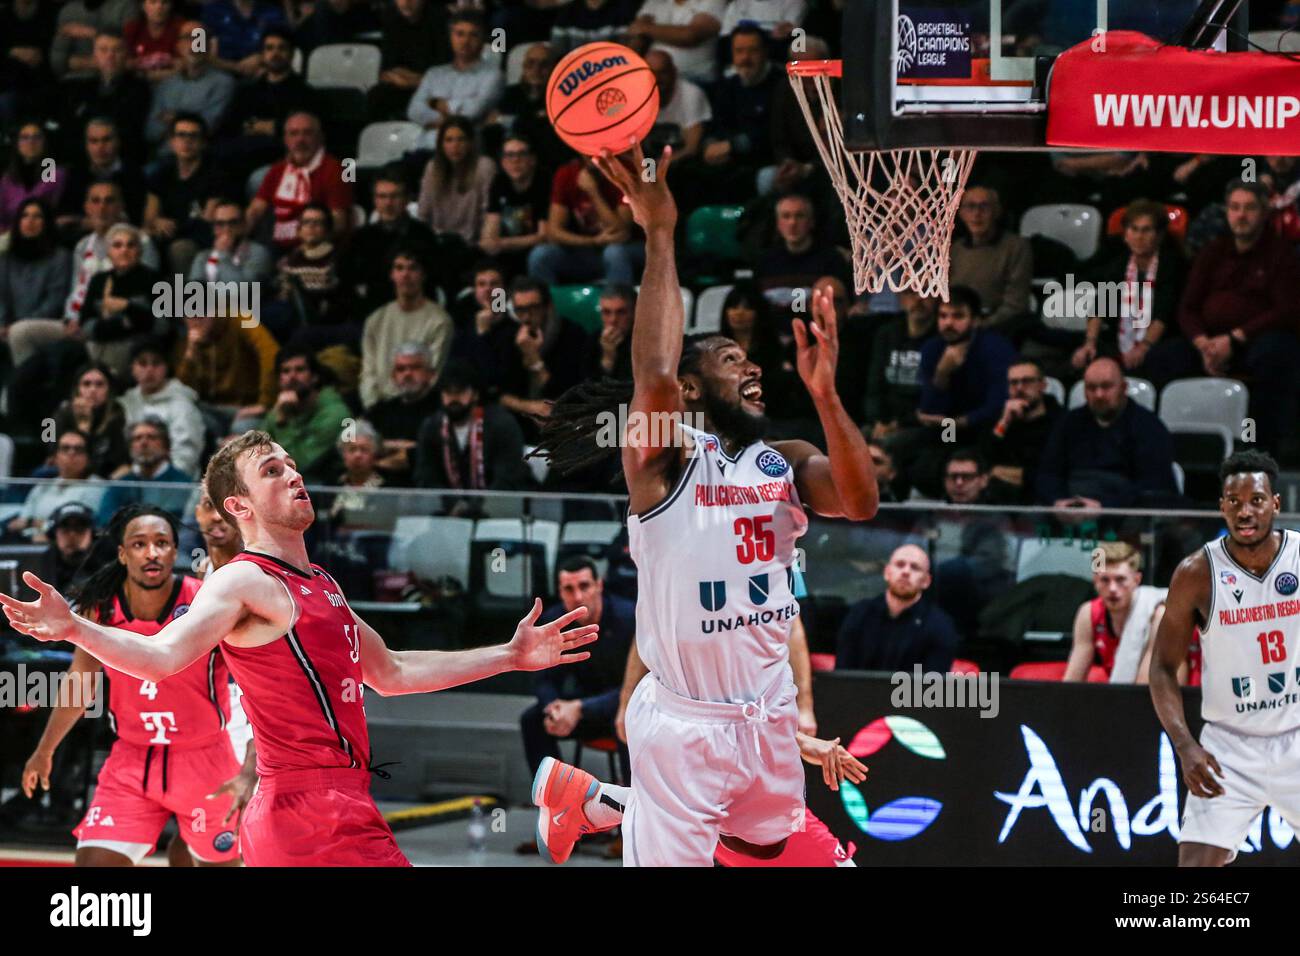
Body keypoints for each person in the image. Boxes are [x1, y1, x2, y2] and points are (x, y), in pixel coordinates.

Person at [0, 431, 600, 867]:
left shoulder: (323, 585)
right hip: (306, 808)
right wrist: (75, 628)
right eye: (271, 471)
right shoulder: (240, 580)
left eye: (291, 464)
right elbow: (162, 657)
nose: (292, 474)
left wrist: (509, 656)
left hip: (331, 803)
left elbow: (390, 672)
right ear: (238, 506)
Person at [528, 140, 877, 866]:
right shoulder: (664, 463)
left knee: (765, 845)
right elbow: (653, 368)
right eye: (728, 362)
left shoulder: (782, 459)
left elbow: (858, 500)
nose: (749, 366)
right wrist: (659, 233)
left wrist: (827, 396)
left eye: (750, 360)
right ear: (690, 392)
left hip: (768, 714)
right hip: (685, 725)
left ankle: (598, 799)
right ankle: (610, 801)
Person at [20, 505, 257, 866]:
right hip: (133, 757)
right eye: (139, 543)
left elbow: (258, 690)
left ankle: (188, 842)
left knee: (204, 860)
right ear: (122, 553)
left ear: (175, 552)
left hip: (205, 759)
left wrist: (250, 771)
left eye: (162, 543)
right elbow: (80, 682)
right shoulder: (100, 609)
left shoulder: (208, 603)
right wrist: (45, 749)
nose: (151, 553)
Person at [1148, 450, 1300, 867]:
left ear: (1276, 503)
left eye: (1256, 500)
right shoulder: (1196, 573)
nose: (1245, 511)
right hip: (1228, 747)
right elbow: (1162, 668)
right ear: (1221, 507)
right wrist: (1184, 746)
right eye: (1234, 502)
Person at [1147, 180, 1300, 454]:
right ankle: (1167, 449)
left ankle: (1261, 448)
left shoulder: (1281, 254)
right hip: (1210, 343)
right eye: (1235, 208)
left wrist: (1235, 338)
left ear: (1264, 212)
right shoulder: (1212, 251)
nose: (1241, 215)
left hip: (1254, 341)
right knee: (1162, 357)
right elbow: (1187, 307)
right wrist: (1202, 343)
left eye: (1250, 208)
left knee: (1277, 354)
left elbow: (1286, 310)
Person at [520, 557, 636, 778]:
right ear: (560, 592)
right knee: (532, 720)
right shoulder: (554, 621)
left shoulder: (629, 618)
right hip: (581, 705)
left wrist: (581, 707)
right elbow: (543, 678)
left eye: (584, 586)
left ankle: (633, 803)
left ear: (599, 585)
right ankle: (557, 798)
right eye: (569, 589)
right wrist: (554, 707)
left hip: (622, 704)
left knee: (628, 721)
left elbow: (637, 685)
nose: (578, 597)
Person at [1036, 355, 1179, 509]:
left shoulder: (1149, 427)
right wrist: (1057, 501)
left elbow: (1154, 484)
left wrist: (1104, 506)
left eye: (1106, 386)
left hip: (1123, 514)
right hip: (1068, 510)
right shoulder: (1068, 423)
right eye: (1091, 388)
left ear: (1124, 388)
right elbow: (1048, 473)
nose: (1099, 395)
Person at [1071, 199, 1184, 378]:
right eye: (1134, 229)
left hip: (1159, 342)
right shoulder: (1119, 264)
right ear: (1125, 234)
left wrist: (1144, 347)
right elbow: (1100, 307)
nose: (1139, 236)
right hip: (1120, 339)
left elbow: (1164, 315)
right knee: (1084, 360)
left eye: (1146, 230)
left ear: (1160, 235)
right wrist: (1090, 343)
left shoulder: (1172, 266)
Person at [412, 359, 532, 502]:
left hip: (499, 511)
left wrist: (477, 509)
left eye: (460, 391)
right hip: (451, 515)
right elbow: (426, 477)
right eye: (448, 392)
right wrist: (452, 506)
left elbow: (508, 478)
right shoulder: (431, 427)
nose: (453, 399)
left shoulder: (501, 424)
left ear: (475, 394)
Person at [836, 543, 959, 672]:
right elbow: (842, 675)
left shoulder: (941, 626)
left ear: (926, 581)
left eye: (915, 568)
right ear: (887, 573)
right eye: (900, 564)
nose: (906, 572)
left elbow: (933, 686)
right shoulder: (859, 614)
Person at [214, 28, 318, 181]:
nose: (275, 54)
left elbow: (306, 134)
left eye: (281, 48)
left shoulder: (305, 93)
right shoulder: (246, 91)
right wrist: (264, 126)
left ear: (292, 54)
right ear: (262, 55)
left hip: (277, 157)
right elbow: (228, 125)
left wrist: (272, 127)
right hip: (240, 153)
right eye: (269, 48)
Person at [359, 249, 454, 409]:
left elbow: (432, 375)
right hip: (379, 406)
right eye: (399, 268)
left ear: (423, 275)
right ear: (392, 274)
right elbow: (368, 373)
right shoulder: (375, 320)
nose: (406, 275)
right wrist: (373, 407)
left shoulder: (440, 321)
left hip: (419, 407)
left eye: (413, 268)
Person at [528, 155, 644, 286]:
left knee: (614, 252)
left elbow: (621, 232)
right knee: (541, 255)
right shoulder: (567, 173)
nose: (592, 156)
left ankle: (617, 302)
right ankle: (545, 305)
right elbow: (554, 232)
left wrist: (593, 192)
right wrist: (593, 241)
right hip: (587, 250)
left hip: (629, 249)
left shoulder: (625, 170)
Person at [246, 111, 353, 250]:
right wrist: (237, 236)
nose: (300, 140)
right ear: (285, 139)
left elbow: (339, 222)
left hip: (313, 249)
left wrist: (306, 251)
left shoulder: (337, 169)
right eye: (293, 134)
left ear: (320, 138)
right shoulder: (277, 170)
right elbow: (255, 210)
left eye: (307, 133)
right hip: (274, 246)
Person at [1065, 541, 1167, 683]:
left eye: (1120, 580)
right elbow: (1072, 681)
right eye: (1105, 580)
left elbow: (1144, 690)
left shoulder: (1157, 614)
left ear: (1136, 580)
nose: (1112, 588)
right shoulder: (1089, 613)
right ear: (1095, 581)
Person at [499, 277, 591, 432]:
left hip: (563, 418)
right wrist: (529, 407)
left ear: (548, 306)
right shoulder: (508, 335)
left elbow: (573, 395)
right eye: (520, 310)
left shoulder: (573, 335)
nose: (527, 317)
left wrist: (535, 361)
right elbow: (499, 393)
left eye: (533, 308)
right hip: (521, 419)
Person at [142, 113, 228, 275]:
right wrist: (157, 221)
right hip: (167, 235)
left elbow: (207, 221)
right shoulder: (161, 174)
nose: (187, 141)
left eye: (193, 136)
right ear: (172, 142)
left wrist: (170, 225)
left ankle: (184, 299)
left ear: (203, 142)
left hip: (198, 239)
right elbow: (149, 219)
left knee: (180, 249)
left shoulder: (215, 175)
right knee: (140, 239)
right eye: (181, 135)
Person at [406, 11, 503, 152]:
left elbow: (472, 112)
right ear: (451, 38)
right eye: (460, 34)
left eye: (473, 35)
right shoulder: (434, 73)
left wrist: (434, 103)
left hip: (466, 153)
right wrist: (454, 113)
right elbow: (414, 111)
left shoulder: (494, 75)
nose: (465, 41)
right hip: (426, 147)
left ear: (482, 40)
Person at [80, 223, 166, 380]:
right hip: (97, 343)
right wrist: (124, 323)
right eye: (117, 245)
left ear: (139, 251)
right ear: (109, 252)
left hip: (135, 348)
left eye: (130, 245)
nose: (124, 250)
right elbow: (85, 325)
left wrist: (127, 306)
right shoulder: (98, 280)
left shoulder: (155, 280)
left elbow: (161, 326)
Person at [347, 170, 438, 315]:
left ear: (408, 199)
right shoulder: (361, 238)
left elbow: (431, 283)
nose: (388, 203)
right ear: (374, 200)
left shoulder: (424, 236)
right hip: (370, 313)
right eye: (382, 197)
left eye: (395, 196)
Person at [947, 185, 1033, 337]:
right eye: (970, 206)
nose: (977, 213)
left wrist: (981, 325)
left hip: (1000, 328)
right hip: (956, 326)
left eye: (984, 206)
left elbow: (1015, 304)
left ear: (997, 211)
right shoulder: (954, 250)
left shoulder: (1016, 247)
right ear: (961, 213)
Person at [260, 347, 352, 485]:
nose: (292, 376)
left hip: (325, 485)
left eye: (300, 370)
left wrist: (283, 422)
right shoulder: (282, 407)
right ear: (279, 380)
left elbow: (298, 463)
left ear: (315, 377)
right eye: (286, 371)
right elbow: (258, 448)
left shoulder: (335, 413)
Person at [119, 339, 206, 479]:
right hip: (132, 482)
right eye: (142, 363)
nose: (149, 370)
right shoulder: (126, 402)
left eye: (156, 363)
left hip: (173, 483)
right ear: (132, 369)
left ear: (166, 368)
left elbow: (186, 456)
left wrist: (167, 481)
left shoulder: (182, 404)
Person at [981, 358, 1063, 504]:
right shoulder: (999, 419)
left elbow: (1049, 474)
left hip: (1044, 501)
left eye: (1027, 381)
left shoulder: (1061, 421)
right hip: (1000, 499)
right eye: (1013, 383)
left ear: (1042, 385)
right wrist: (1004, 422)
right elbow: (982, 462)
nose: (1019, 388)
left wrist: (1001, 472)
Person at [144, 23, 237, 151]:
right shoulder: (166, 85)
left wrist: (173, 117)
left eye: (200, 38)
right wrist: (191, 116)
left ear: (208, 46)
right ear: (178, 46)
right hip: (163, 157)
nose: (195, 44)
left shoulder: (223, 83)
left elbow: (207, 126)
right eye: (188, 38)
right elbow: (151, 132)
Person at [8, 430, 107, 539]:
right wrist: (34, 525)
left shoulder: (97, 487)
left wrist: (37, 525)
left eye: (78, 449)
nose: (71, 453)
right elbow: (20, 522)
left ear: (88, 458)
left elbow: (78, 525)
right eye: (65, 448)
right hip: (27, 542)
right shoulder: (42, 486)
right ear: (55, 457)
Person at [416, 115, 496, 247]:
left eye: (461, 139)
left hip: (474, 245)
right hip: (438, 242)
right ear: (441, 144)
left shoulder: (484, 167)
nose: (455, 146)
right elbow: (423, 213)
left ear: (470, 143)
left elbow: (488, 215)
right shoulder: (432, 168)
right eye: (449, 140)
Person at [366, 342, 441, 482]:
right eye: (401, 369)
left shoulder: (442, 409)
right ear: (393, 376)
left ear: (431, 374)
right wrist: (404, 446)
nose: (407, 374)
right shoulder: (380, 410)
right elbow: (352, 440)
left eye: (415, 368)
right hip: (381, 485)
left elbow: (431, 453)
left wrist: (383, 447)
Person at [479, 133, 550, 280]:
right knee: (489, 270)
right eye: (509, 155)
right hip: (507, 252)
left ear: (532, 160)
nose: (515, 161)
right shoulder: (499, 182)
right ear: (503, 162)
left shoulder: (545, 182)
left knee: (538, 256)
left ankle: (534, 302)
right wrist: (488, 242)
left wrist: (503, 244)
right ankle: (497, 303)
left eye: (521, 154)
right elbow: (491, 226)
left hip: (535, 251)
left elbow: (545, 236)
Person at [0, 199, 72, 330]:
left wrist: (19, 327)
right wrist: (3, 324)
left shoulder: (60, 257)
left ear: (47, 222)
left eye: (37, 216)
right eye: (24, 216)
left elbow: (55, 301)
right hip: (8, 327)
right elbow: (1, 298)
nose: (30, 221)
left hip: (43, 326)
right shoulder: (6, 259)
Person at [627, 0, 724, 84]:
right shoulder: (655, 2)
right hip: (654, 76)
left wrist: (645, 28)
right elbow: (636, 35)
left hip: (694, 79)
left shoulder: (714, 1)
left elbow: (690, 35)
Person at [0, 122, 64, 232]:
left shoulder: (54, 172)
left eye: (37, 137)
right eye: (25, 137)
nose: (31, 142)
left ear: (44, 142)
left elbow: (46, 206)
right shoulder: (7, 178)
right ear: (17, 143)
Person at [582, 283, 637, 380]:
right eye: (606, 312)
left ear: (633, 312)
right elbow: (589, 388)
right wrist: (608, 358)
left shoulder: (645, 342)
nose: (613, 320)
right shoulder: (592, 340)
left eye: (621, 312)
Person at [44, 501, 96, 594]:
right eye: (65, 528)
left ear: (92, 534)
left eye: (79, 528)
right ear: (54, 534)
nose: (72, 535)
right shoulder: (41, 566)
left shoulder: (106, 566)